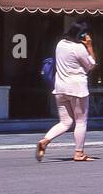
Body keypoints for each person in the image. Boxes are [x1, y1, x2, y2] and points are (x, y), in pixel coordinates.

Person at [36, 23, 96, 162]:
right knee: (81, 122)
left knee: (65, 122)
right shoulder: (79, 48)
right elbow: (91, 64)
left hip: (60, 87)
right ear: (81, 35)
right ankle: (79, 153)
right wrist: (90, 46)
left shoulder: (60, 44)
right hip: (77, 88)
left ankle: (45, 141)